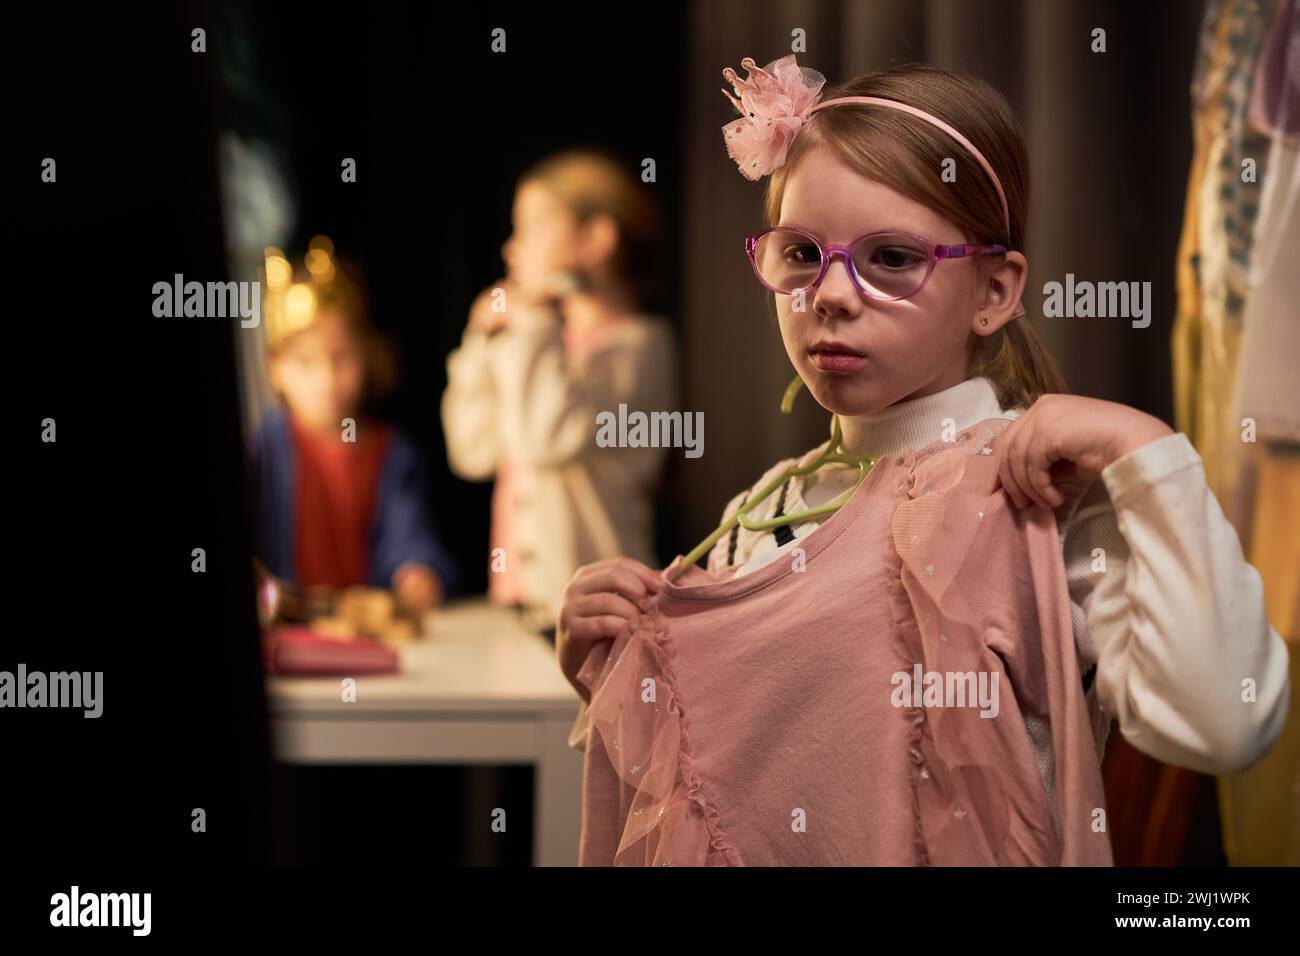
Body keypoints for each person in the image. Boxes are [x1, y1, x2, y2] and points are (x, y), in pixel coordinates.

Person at [556, 59, 1291, 865]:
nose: (829, 295)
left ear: (994, 291)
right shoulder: (763, 510)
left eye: (893, 259)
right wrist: (618, 667)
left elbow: (1226, 719)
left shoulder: (1038, 502)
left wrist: (1144, 448)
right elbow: (739, 776)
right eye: (802, 252)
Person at [441, 149, 679, 635]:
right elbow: (474, 450)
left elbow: (546, 439)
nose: (511, 248)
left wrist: (529, 323)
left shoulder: (638, 348)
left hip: (607, 613)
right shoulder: (542, 347)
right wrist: (480, 343)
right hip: (526, 605)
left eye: (529, 228)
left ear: (595, 240)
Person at [250, 236, 458, 612]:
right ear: (275, 371)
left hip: (368, 634)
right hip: (291, 633)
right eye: (305, 363)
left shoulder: (393, 453)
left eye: (341, 357)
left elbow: (408, 533)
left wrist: (418, 572)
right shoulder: (264, 447)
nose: (327, 379)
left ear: (368, 354)